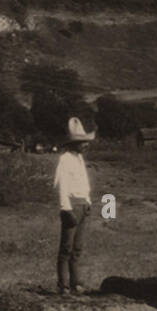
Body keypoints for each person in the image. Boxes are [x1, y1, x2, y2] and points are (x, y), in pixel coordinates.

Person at [53, 116, 95, 295]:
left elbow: (83, 183)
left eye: (86, 142)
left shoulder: (79, 159)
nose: (86, 145)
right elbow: (61, 185)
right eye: (82, 142)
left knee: (78, 247)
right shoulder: (65, 159)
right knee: (67, 247)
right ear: (74, 143)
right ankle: (63, 285)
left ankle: (76, 282)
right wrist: (66, 208)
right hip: (71, 206)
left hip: (82, 205)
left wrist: (88, 201)